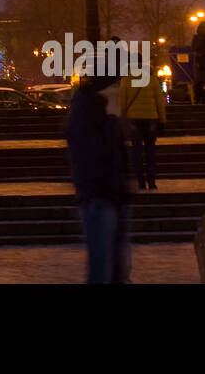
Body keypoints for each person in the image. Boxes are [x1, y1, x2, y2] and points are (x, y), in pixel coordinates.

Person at [65, 73, 130, 284]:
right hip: (99, 196)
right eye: (117, 87)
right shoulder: (92, 118)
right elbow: (97, 156)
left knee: (113, 265)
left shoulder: (96, 115)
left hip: (109, 196)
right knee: (102, 267)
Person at [119, 62, 166, 190]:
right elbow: (159, 102)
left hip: (133, 119)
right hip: (151, 118)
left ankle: (140, 181)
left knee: (137, 151)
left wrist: (122, 116)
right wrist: (162, 120)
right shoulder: (152, 80)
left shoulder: (126, 80)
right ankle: (151, 182)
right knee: (150, 151)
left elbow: (122, 100)